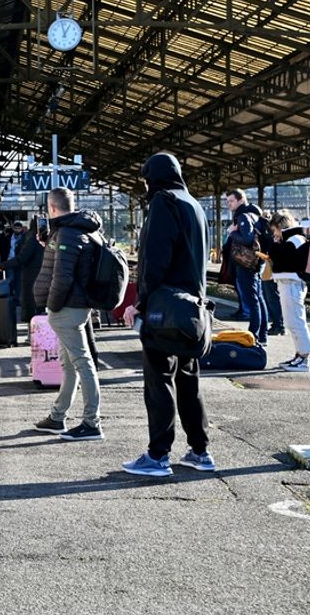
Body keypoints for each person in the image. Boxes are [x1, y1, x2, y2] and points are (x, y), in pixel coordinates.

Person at [122, 152, 213, 477]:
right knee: (189, 380)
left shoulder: (164, 203)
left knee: (158, 380)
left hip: (164, 310)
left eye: (146, 181)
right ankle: (200, 451)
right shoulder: (194, 205)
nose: (145, 187)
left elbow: (154, 262)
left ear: (154, 178)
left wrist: (140, 304)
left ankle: (158, 456)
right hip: (192, 313)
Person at [31, 188, 104, 441]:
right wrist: (48, 244)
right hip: (76, 306)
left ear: (52, 208)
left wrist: (52, 306)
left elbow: (62, 277)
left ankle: (91, 423)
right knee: (69, 364)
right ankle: (57, 417)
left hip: (67, 308)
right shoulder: (78, 229)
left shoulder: (68, 233)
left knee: (83, 363)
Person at [268, 210, 310, 372]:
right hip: (288, 283)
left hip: (293, 284)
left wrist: (274, 245)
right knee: (291, 322)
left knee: (297, 321)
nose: (275, 234)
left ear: (281, 226)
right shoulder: (293, 239)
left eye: (275, 231)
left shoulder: (294, 240)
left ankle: (304, 357)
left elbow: (280, 259)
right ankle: (299, 354)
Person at [225, 189, 268, 347]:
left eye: (231, 201)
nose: (228, 204)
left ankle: (254, 335)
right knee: (258, 298)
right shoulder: (254, 214)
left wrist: (231, 233)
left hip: (245, 264)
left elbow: (247, 239)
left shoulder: (243, 216)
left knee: (253, 300)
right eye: (227, 201)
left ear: (241, 200)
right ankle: (262, 334)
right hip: (255, 263)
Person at [0, 219, 43, 322]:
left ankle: (33, 331)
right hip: (45, 275)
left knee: (31, 303)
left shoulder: (32, 239)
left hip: (31, 275)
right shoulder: (50, 238)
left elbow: (22, 257)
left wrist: (3, 266)